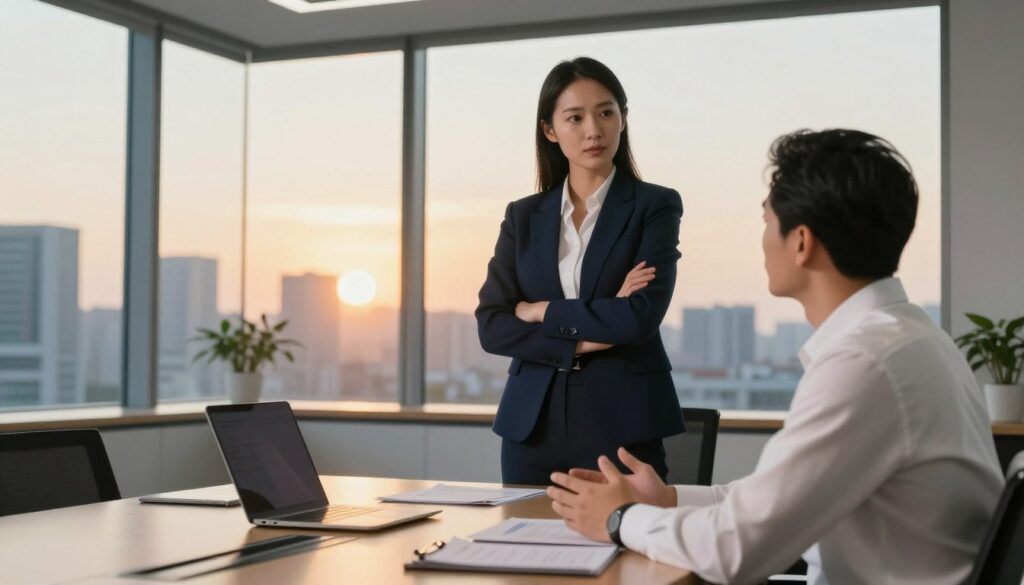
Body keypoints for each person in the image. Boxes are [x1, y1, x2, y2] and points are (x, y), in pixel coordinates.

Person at [547, 129, 1004, 584]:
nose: (763, 239)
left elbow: (735, 551)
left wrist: (620, 520)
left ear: (801, 242)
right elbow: (774, 499)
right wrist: (669, 499)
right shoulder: (911, 339)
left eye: (767, 221)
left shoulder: (867, 365)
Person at [475, 57, 685, 486]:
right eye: (575, 117)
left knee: (626, 545)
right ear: (550, 130)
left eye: (607, 112)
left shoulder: (654, 206)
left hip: (624, 421)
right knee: (526, 548)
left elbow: (638, 318)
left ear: (623, 120)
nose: (594, 129)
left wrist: (540, 310)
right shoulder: (523, 216)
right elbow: (492, 326)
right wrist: (590, 334)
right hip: (531, 424)